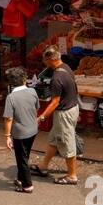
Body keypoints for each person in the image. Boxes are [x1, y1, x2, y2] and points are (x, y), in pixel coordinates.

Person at [32, 46, 81, 185]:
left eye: (44, 60)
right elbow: (74, 89)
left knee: (67, 143)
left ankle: (72, 175)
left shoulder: (56, 78)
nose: (44, 63)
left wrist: (42, 117)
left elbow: (54, 102)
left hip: (64, 113)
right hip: (72, 107)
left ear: (49, 60)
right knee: (54, 139)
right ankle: (43, 166)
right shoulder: (66, 68)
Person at [3, 67, 40, 193]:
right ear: (25, 80)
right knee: (25, 155)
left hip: (20, 133)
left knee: (21, 159)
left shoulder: (11, 97)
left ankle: (27, 185)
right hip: (33, 129)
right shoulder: (33, 92)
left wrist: (7, 135)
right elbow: (36, 108)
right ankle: (20, 178)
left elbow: (8, 118)